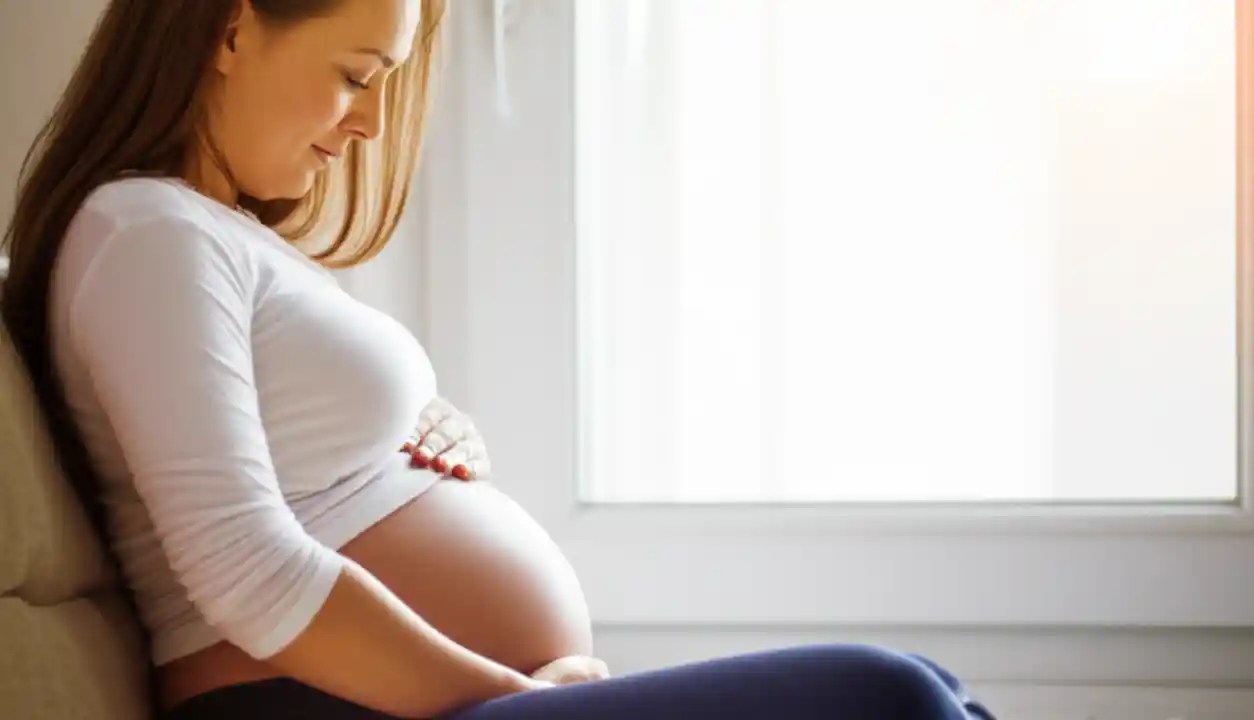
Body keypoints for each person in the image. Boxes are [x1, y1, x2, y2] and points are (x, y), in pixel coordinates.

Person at [0, 1, 997, 718]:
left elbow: (291, 457)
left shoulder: (210, 235)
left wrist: (415, 428)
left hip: (382, 699)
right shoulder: (145, 230)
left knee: (931, 693)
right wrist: (512, 696)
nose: (369, 123)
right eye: (354, 75)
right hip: (306, 704)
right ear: (229, 27)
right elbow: (243, 568)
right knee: (889, 694)